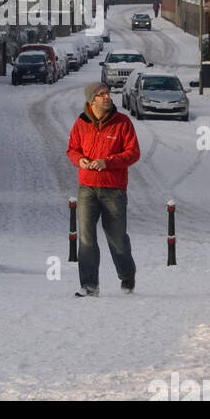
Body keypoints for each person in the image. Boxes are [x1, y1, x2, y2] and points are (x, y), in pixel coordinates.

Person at [67, 82, 140, 296]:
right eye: (101, 94)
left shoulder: (122, 123)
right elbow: (72, 149)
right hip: (87, 188)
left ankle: (127, 276)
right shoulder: (81, 123)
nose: (107, 97)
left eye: (107, 93)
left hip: (114, 189)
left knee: (117, 238)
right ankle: (89, 285)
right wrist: (79, 160)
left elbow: (133, 153)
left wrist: (108, 162)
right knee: (87, 238)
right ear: (92, 100)